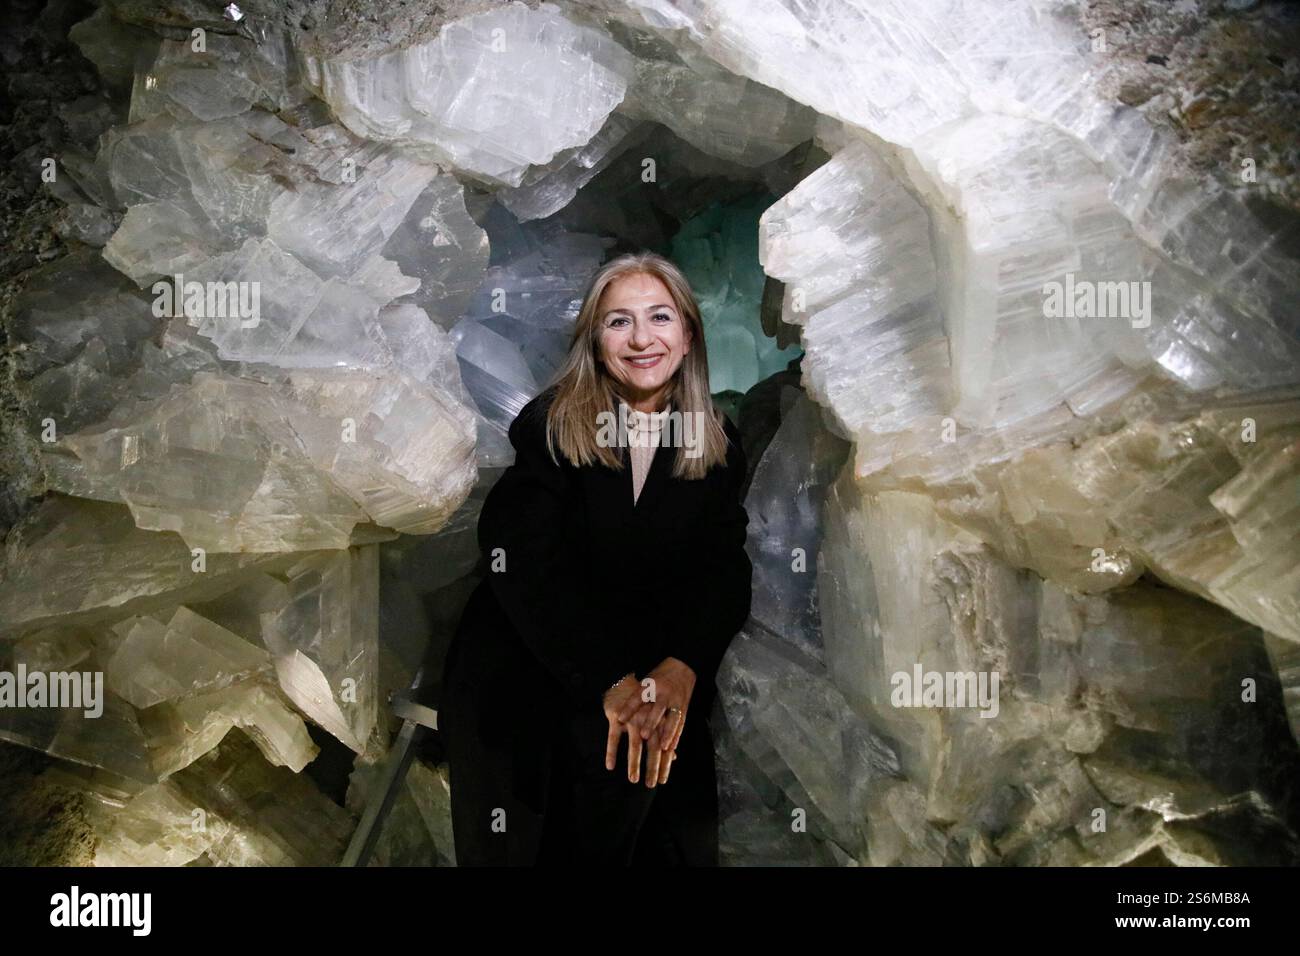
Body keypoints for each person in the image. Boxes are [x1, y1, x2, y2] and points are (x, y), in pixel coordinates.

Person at [440, 250, 752, 866]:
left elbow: (723, 568)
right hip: (535, 649)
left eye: (660, 318)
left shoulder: (714, 440)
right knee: (573, 779)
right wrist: (608, 681)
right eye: (618, 322)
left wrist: (684, 665)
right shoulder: (552, 425)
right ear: (595, 340)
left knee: (665, 787)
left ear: (688, 336)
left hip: (644, 657)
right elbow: (520, 562)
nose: (641, 339)